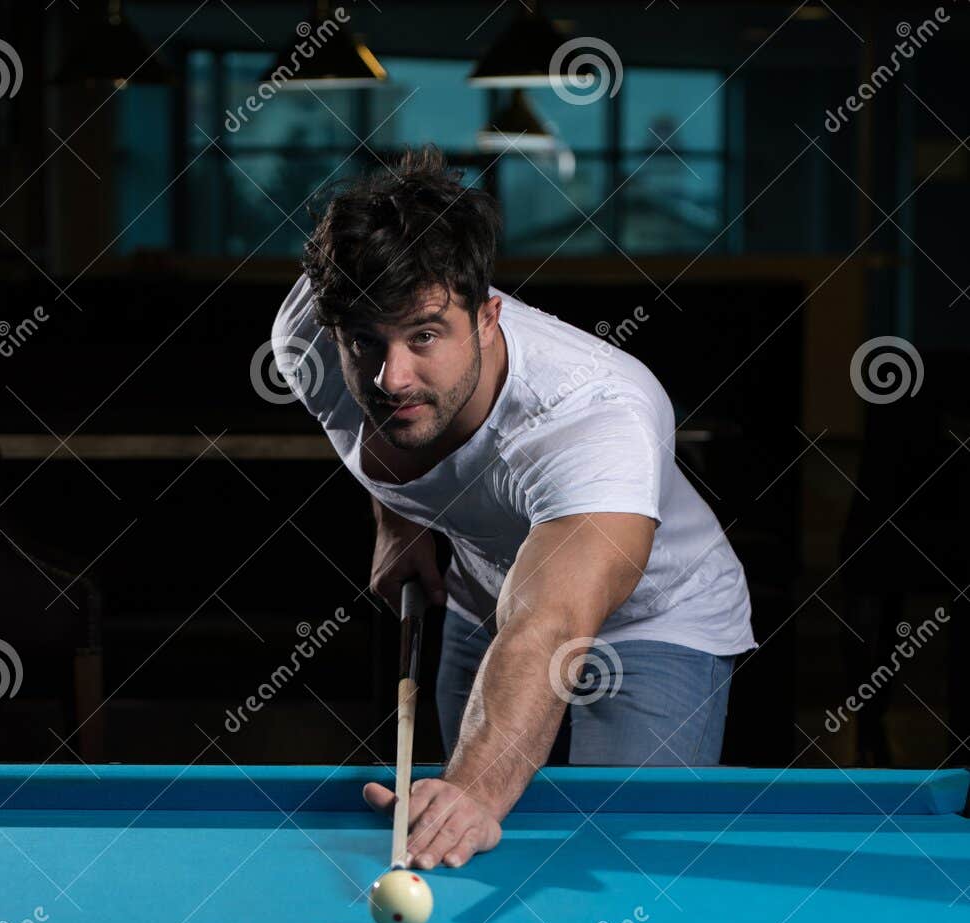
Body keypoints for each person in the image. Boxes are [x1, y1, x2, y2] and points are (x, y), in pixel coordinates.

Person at [272, 146, 754, 870]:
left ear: (488, 316)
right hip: (486, 597)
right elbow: (392, 436)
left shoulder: (590, 415)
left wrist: (473, 787)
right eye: (366, 342)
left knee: (618, 857)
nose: (391, 377)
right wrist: (398, 520)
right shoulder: (311, 342)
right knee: (468, 845)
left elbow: (550, 622)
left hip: (655, 620)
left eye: (424, 335)